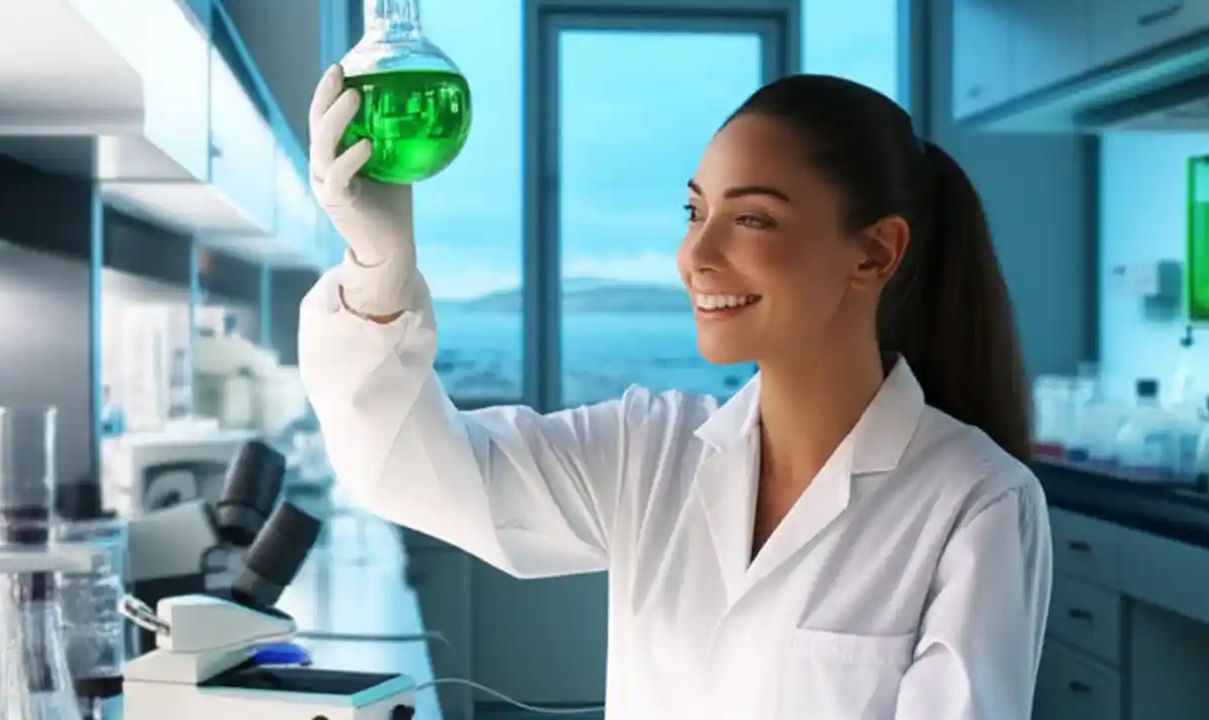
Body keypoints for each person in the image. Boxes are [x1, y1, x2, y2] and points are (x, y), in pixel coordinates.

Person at [300, 65, 1052, 719]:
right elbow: (414, 471)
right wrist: (376, 280)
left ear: (875, 252)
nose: (698, 253)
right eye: (695, 213)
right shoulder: (651, 451)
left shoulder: (973, 500)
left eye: (752, 218)